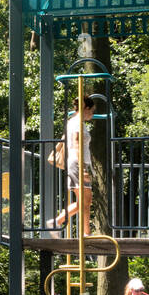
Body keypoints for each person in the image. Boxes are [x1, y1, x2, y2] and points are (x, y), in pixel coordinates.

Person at [53, 95, 96, 235]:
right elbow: (77, 143)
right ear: (86, 108)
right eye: (92, 111)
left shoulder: (73, 122)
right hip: (78, 163)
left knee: (83, 201)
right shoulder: (77, 122)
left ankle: (57, 222)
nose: (93, 114)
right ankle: (86, 233)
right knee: (86, 199)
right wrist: (82, 168)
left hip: (77, 162)